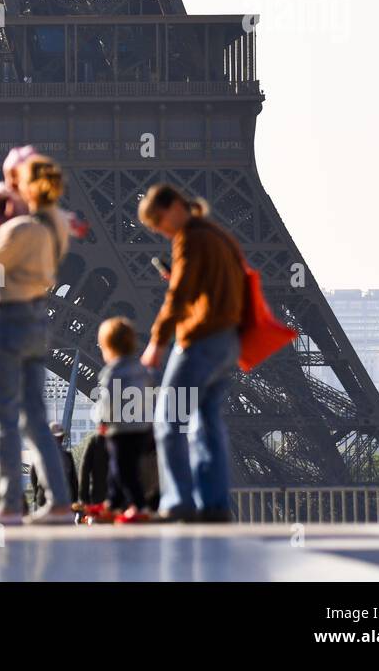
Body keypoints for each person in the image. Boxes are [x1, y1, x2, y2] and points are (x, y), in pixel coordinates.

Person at [0, 154, 76, 526]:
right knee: (35, 418)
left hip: (8, 319)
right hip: (36, 320)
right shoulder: (55, 226)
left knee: (1, 417)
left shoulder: (19, 231)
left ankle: (10, 504)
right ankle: (61, 503)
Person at [138, 184, 245, 523]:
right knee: (207, 423)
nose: (159, 230)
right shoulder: (217, 234)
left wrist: (157, 340)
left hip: (200, 340)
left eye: (157, 220)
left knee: (169, 419)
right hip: (228, 340)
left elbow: (179, 293)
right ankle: (214, 505)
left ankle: (178, 502)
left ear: (172, 207)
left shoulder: (189, 237)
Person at [92, 317, 156, 524]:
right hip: (142, 429)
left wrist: (101, 421)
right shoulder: (143, 370)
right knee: (120, 468)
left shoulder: (112, 372)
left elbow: (107, 401)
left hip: (120, 430)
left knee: (123, 470)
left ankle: (139, 506)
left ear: (108, 347)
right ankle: (112, 503)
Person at [0, 145, 88, 239]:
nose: (12, 182)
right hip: (4, 239)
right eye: (9, 176)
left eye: (15, 176)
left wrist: (72, 224)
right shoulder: (2, 195)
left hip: (26, 240)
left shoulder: (34, 198)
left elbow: (54, 216)